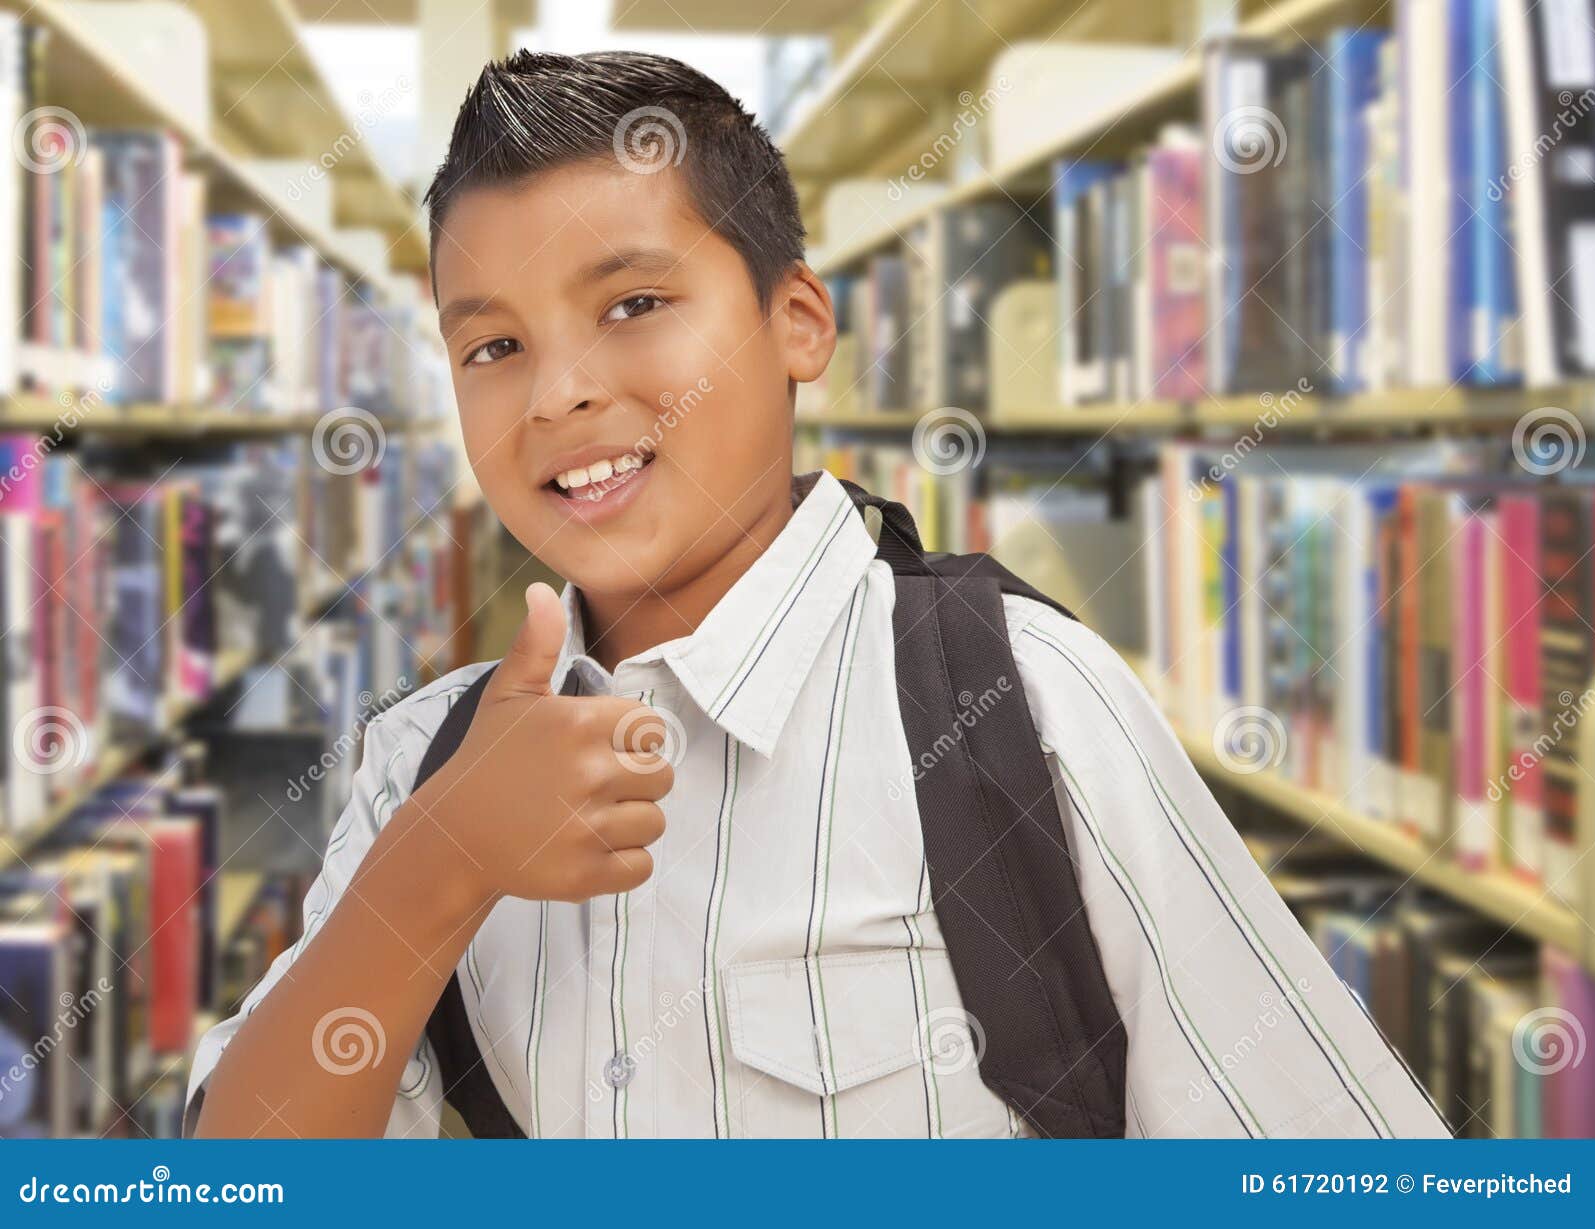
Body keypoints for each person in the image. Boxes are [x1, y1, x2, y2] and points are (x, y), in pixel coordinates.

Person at [186, 50, 1447, 1139]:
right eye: (492, 346)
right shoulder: (429, 760)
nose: (556, 391)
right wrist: (438, 864)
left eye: (633, 303)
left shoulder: (1014, 697)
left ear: (796, 321)